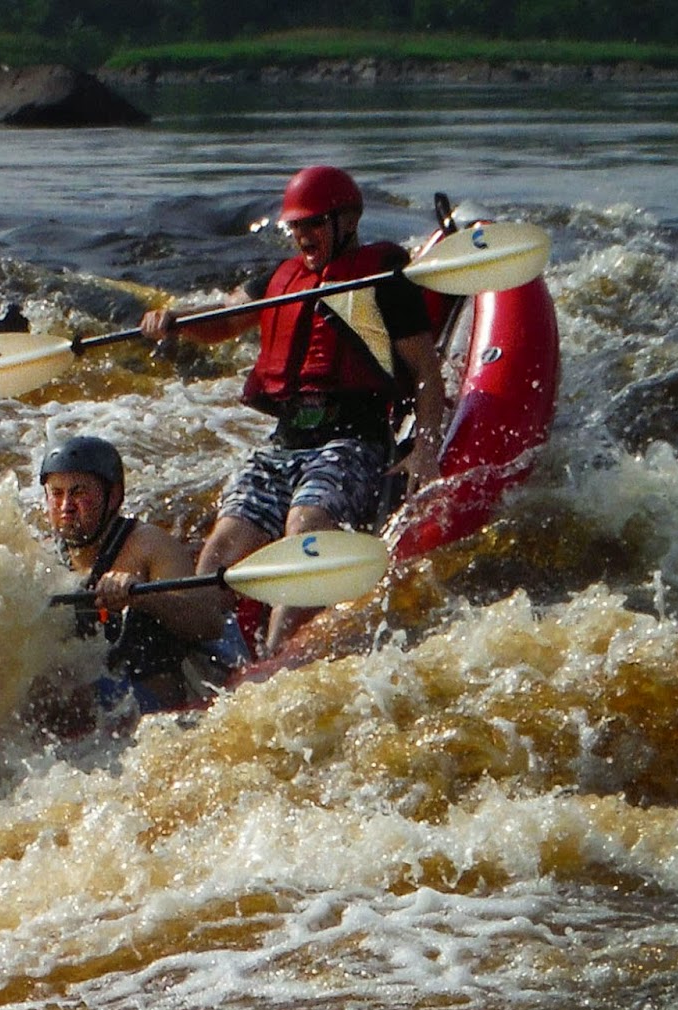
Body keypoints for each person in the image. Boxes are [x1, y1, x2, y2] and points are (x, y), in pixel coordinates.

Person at [140, 164, 447, 653]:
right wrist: (176, 320)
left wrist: (426, 447)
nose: (303, 234)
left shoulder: (384, 280)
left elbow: (427, 370)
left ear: (348, 221)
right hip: (284, 446)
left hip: (353, 442)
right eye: (296, 225)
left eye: (314, 223)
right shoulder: (280, 279)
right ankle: (199, 650)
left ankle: (279, 658)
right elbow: (224, 321)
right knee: (221, 547)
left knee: (304, 528)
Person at [38, 434, 237, 714]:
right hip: (94, 696)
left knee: (137, 628)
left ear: (113, 497)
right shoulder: (43, 555)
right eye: (57, 494)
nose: (66, 506)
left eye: (79, 493)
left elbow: (208, 624)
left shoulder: (149, 545)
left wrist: (143, 598)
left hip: (163, 698)